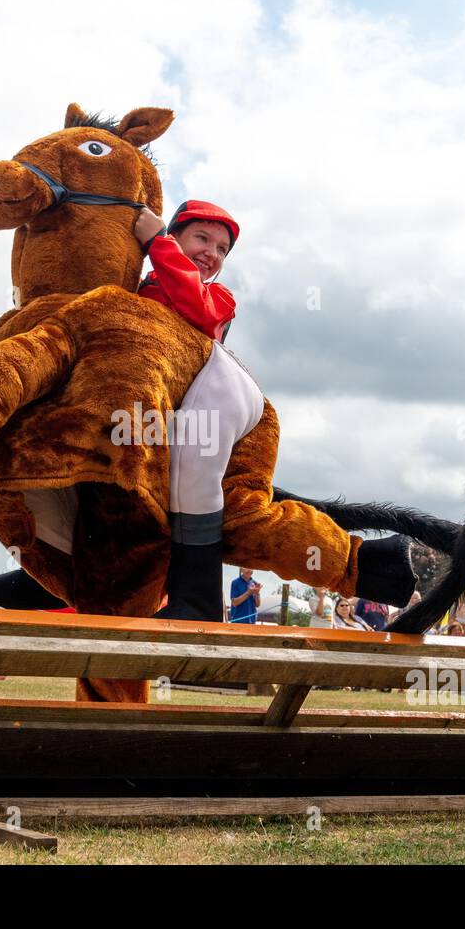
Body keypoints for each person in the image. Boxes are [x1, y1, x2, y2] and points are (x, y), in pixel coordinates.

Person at [133, 201, 264, 621]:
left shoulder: (219, 298)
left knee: (192, 483)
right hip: (138, 415)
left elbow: (197, 310)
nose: (213, 252)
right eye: (202, 238)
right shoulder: (136, 290)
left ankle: (199, 605)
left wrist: (157, 243)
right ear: (178, 236)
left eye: (222, 249)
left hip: (191, 420)